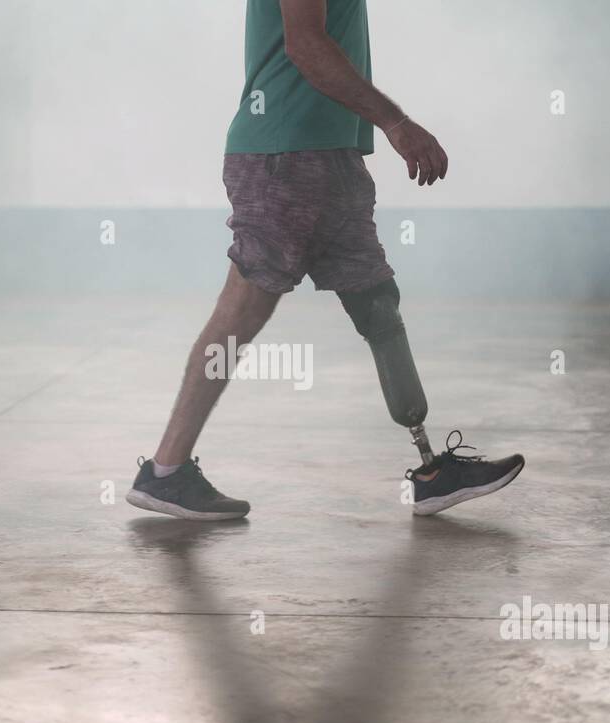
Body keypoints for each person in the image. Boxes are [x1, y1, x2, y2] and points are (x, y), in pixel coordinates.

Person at [127, 0, 523, 520]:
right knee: (243, 309)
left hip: (330, 155)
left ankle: (432, 472)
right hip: (284, 154)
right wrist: (396, 123)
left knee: (378, 304)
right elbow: (306, 45)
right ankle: (166, 472)